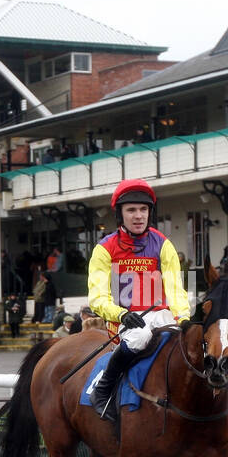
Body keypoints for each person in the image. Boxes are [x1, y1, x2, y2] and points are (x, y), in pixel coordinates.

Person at [87, 178, 190, 421]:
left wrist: (184, 318)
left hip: (159, 313)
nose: (138, 216)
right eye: (131, 210)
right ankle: (102, 389)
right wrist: (120, 313)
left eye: (143, 210)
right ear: (120, 214)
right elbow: (97, 297)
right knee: (141, 336)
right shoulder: (104, 249)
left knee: (183, 341)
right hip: (125, 317)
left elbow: (176, 289)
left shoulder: (164, 245)